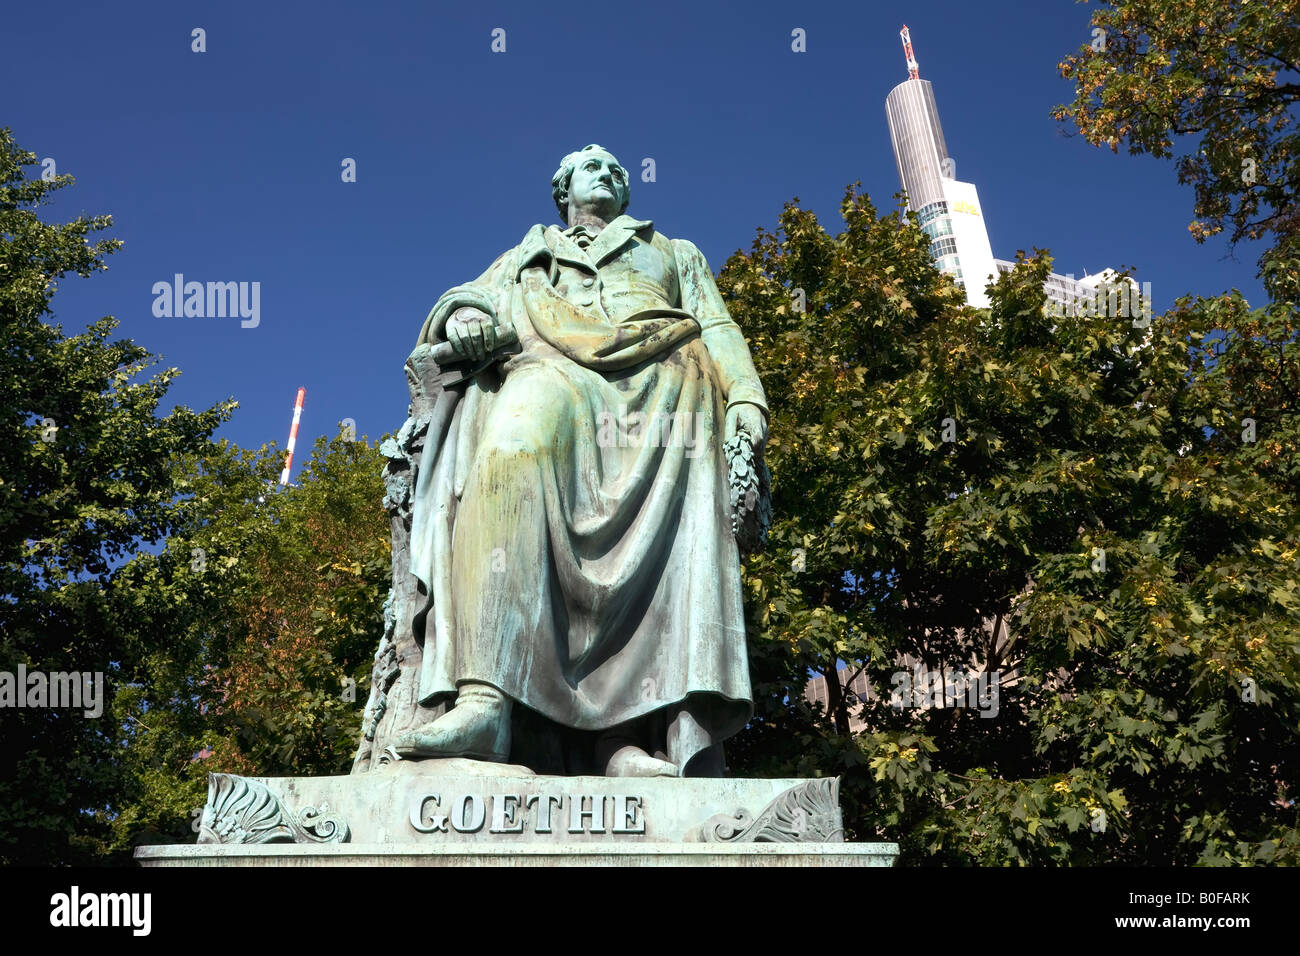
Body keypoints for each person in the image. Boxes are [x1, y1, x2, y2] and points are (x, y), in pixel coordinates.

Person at [394, 144, 768, 777]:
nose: (610, 174)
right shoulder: (527, 255)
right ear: (562, 188)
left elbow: (718, 326)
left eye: (619, 171)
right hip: (550, 372)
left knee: (686, 457)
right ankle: (486, 698)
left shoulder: (674, 252)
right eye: (593, 166)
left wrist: (748, 399)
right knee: (511, 448)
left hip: (663, 383)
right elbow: (461, 303)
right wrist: (466, 321)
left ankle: (626, 739)